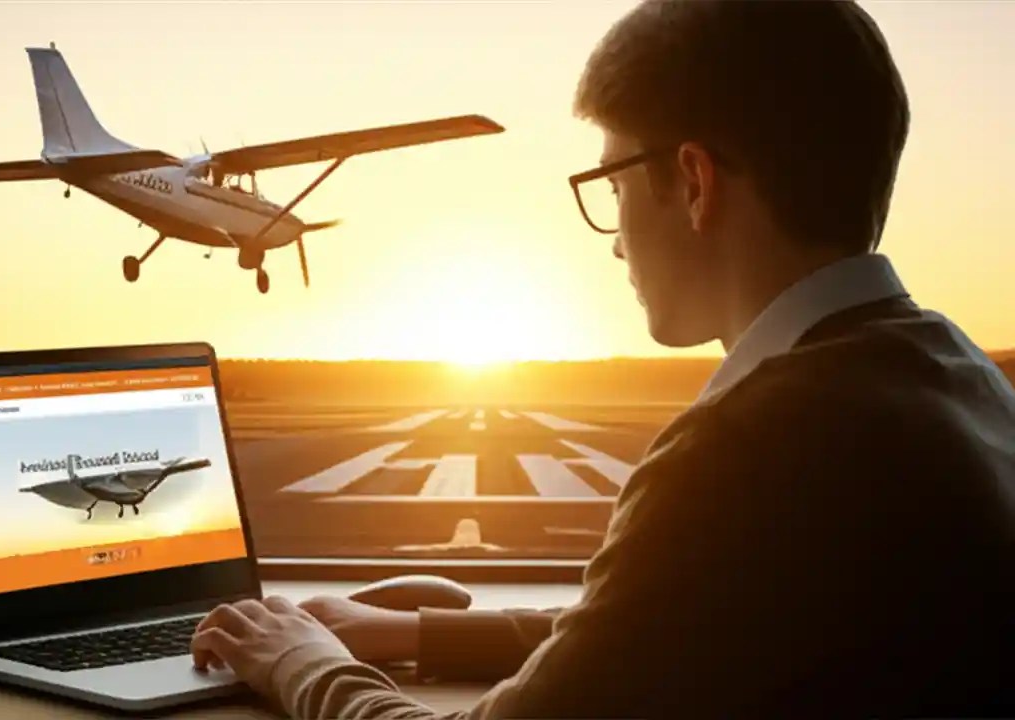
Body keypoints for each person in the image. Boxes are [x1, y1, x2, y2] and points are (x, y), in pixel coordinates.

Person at [188, 1, 1015, 717]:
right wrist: (414, 632)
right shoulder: (966, 379)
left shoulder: (750, 453)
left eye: (613, 185)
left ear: (694, 183)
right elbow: (671, 625)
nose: (616, 242)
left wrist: (301, 662)